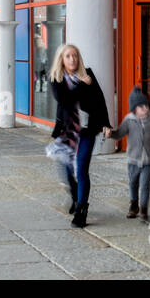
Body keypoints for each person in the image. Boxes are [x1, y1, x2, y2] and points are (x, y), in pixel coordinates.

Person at [48, 43, 109, 229]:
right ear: (62, 59)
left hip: (86, 130)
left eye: (75, 55)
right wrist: (83, 83)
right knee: (67, 169)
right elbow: (65, 100)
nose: (72, 59)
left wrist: (106, 123)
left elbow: (100, 100)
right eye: (68, 56)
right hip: (67, 131)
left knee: (81, 168)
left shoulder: (88, 73)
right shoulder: (56, 79)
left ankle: (82, 211)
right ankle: (75, 195)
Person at [103, 86, 150, 223]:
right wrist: (111, 134)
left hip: (149, 159)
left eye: (146, 106)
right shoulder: (128, 120)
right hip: (133, 159)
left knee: (145, 184)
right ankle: (134, 205)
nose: (145, 109)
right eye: (142, 107)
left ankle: (144, 211)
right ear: (134, 109)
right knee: (133, 183)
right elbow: (119, 134)